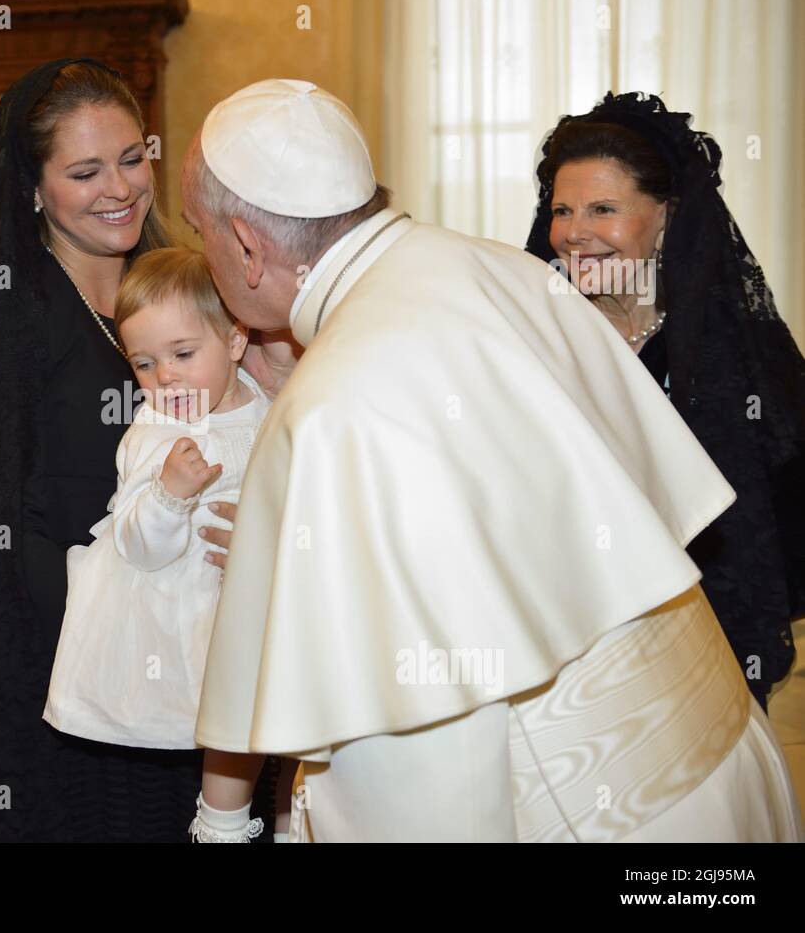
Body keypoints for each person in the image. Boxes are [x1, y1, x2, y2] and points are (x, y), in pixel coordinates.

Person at [185, 79, 802, 841]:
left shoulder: (335, 405)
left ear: (246, 244)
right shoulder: (497, 267)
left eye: (198, 231)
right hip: (722, 762)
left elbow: (417, 770)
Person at [0, 59, 211, 841]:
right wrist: (112, 629)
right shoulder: (11, 308)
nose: (118, 187)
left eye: (131, 158)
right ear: (34, 185)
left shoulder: (176, 282)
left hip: (194, 631)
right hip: (76, 658)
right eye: (84, 170)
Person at [524, 92, 805, 711]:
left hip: (698, 639)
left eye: (604, 209)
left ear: (666, 218)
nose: (574, 234)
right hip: (565, 639)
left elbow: (761, 512)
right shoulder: (536, 337)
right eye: (563, 210)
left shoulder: (728, 353)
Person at [42, 247, 293, 842]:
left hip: (253, 598)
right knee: (229, 723)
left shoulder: (262, 403)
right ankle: (221, 827)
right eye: (145, 364)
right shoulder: (155, 433)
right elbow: (137, 545)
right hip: (181, 611)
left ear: (235, 340)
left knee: (278, 723)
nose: (165, 378)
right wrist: (169, 496)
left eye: (183, 354)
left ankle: (291, 823)